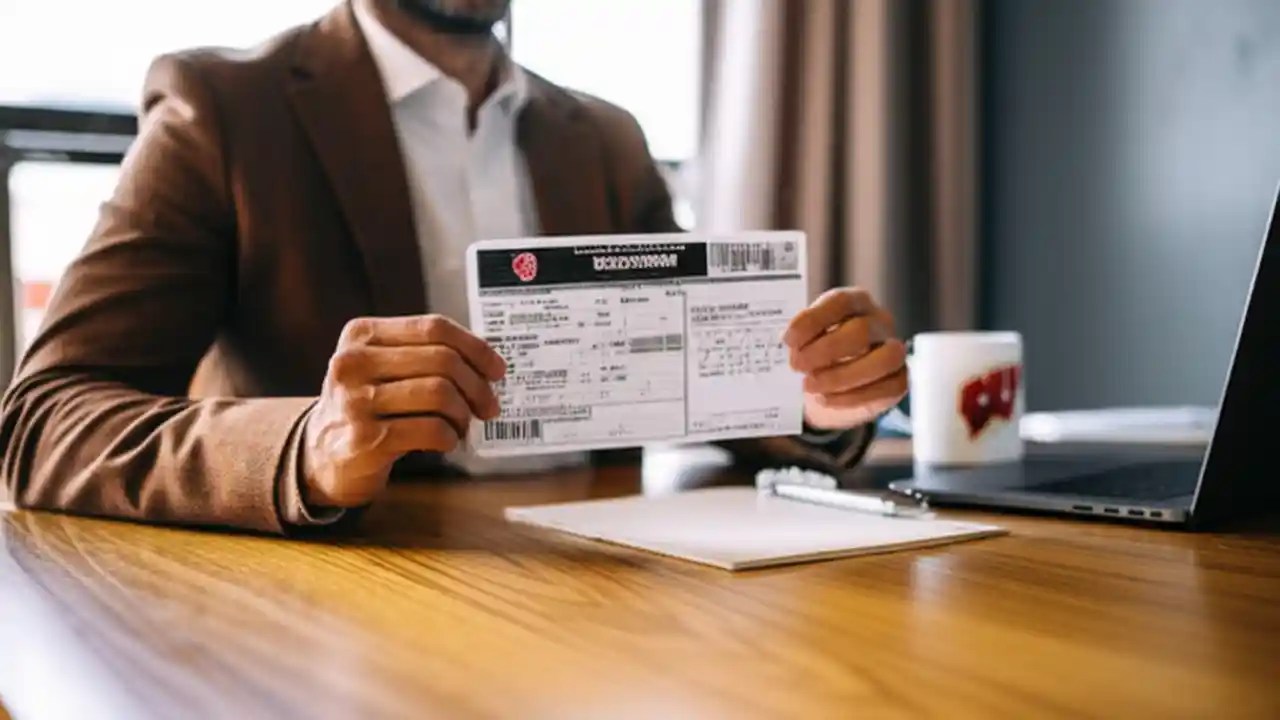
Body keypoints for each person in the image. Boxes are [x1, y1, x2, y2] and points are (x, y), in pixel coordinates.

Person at [0, 0, 908, 534]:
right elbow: (44, 422)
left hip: (609, 593)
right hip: (333, 620)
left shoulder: (606, 138)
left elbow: (685, 386)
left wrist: (808, 400)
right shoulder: (224, 111)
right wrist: (303, 450)